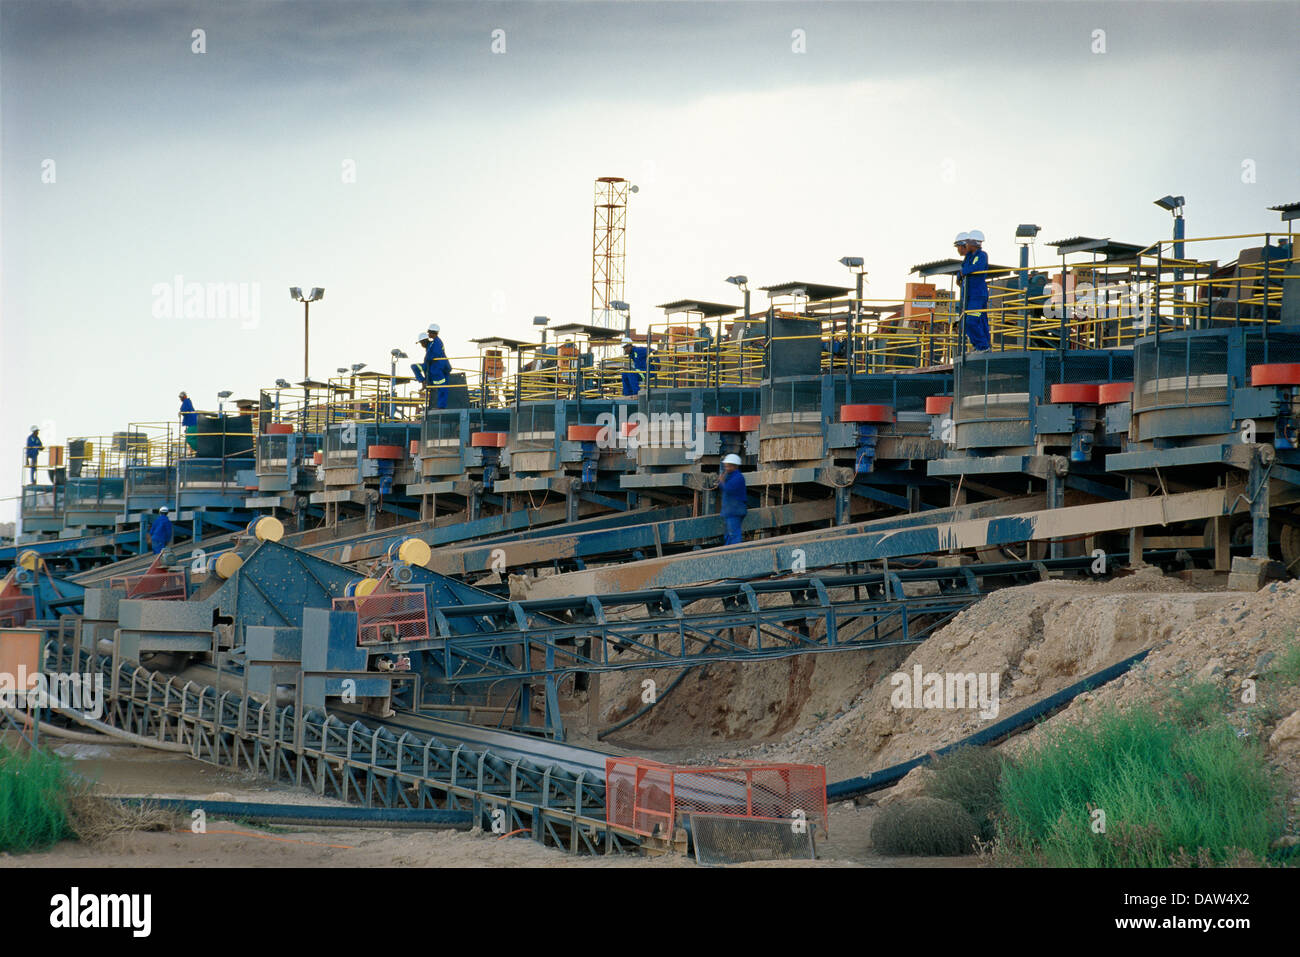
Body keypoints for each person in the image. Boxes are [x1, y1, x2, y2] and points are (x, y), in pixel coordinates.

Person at [958, 229, 992, 353]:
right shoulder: (969, 257)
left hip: (977, 295)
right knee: (977, 322)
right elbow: (963, 270)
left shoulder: (981, 255)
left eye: (967, 243)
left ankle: (983, 347)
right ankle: (980, 346)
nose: (966, 245)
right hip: (970, 296)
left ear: (973, 243)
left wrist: (963, 273)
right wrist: (960, 274)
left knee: (971, 321)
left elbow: (976, 267)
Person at [719, 453, 747, 545]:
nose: (726, 468)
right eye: (726, 466)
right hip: (730, 511)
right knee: (728, 535)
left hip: (734, 511)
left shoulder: (738, 477)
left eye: (728, 466)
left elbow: (728, 489)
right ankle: (728, 554)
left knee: (734, 535)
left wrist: (722, 481)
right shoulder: (731, 476)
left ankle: (735, 554)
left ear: (734, 466)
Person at [423, 323, 452, 409]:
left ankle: (441, 406)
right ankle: (441, 406)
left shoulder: (437, 343)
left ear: (433, 333)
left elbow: (434, 355)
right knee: (442, 387)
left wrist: (426, 359)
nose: (428, 334)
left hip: (440, 368)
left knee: (442, 387)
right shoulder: (435, 342)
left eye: (429, 332)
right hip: (442, 367)